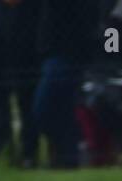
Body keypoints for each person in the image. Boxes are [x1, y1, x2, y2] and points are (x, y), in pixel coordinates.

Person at [31, 0, 97, 167]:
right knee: (62, 110)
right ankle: (67, 158)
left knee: (45, 110)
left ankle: (71, 152)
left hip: (67, 52)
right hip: (52, 51)